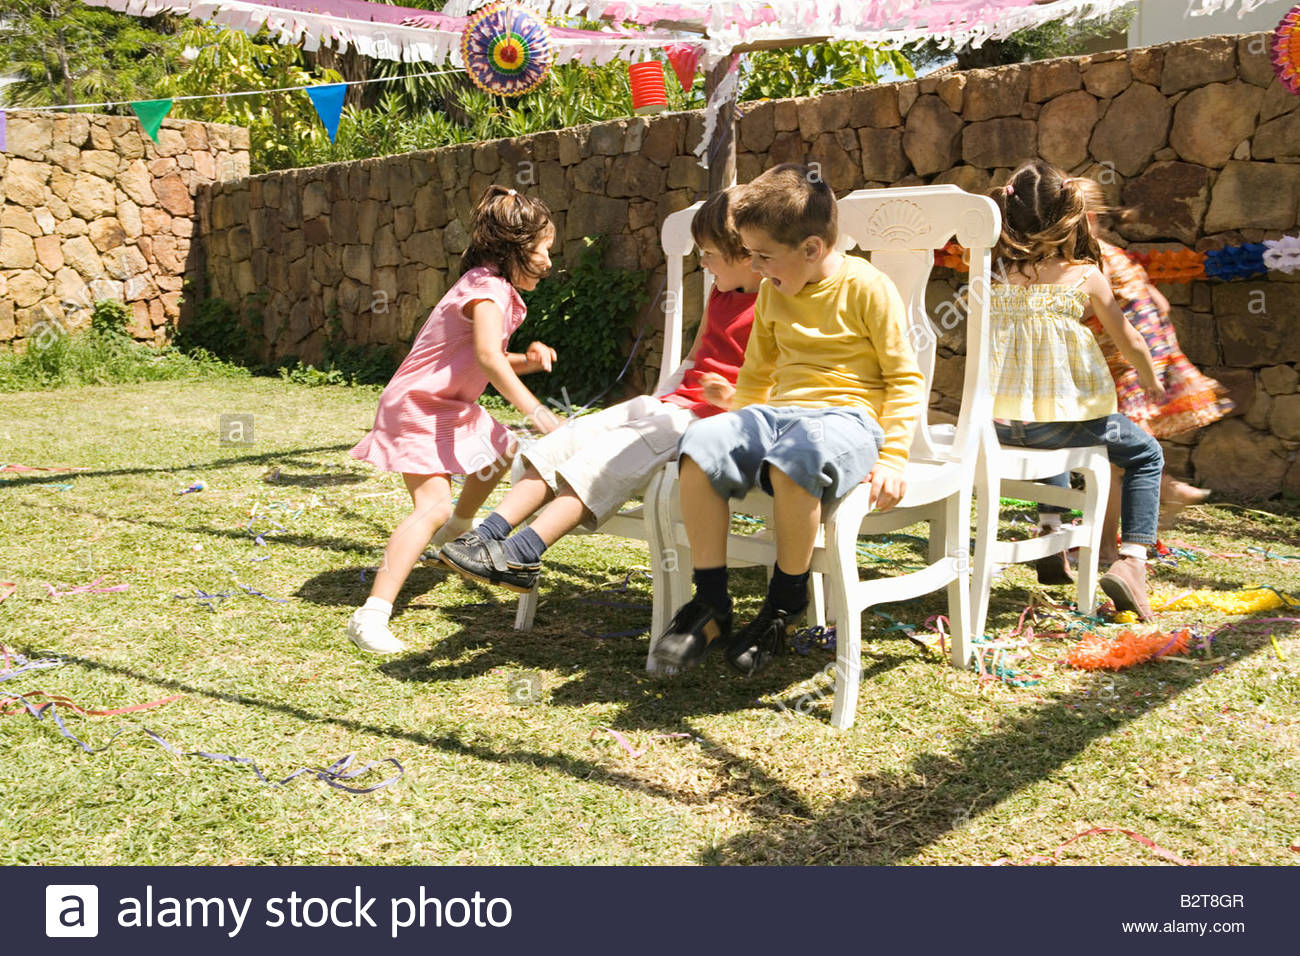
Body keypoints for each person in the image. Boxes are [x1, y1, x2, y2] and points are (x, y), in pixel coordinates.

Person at [652, 163, 926, 676]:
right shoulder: (776, 291)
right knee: (701, 442)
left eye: (763, 256)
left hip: (848, 418)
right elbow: (757, 375)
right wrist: (734, 422)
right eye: (750, 256)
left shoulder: (868, 288)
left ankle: (783, 605)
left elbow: (904, 379)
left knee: (795, 458)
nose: (755, 269)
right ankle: (710, 603)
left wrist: (893, 456)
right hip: (780, 412)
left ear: (811, 249)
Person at [438, 190, 760, 594]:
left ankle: (523, 551)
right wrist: (663, 397)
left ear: (747, 255)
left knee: (611, 455)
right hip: (676, 406)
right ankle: (486, 534)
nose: (702, 262)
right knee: (570, 438)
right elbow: (694, 359)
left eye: (710, 254)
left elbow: (782, 389)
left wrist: (729, 398)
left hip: (717, 421)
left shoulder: (775, 306)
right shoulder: (722, 292)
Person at [345, 185, 563, 654]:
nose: (548, 260)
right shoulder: (487, 289)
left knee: (502, 446)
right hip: (419, 405)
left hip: (451, 406)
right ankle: (372, 614)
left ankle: (457, 531)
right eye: (542, 249)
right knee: (431, 506)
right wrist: (538, 412)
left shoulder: (491, 285)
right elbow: (486, 357)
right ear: (514, 249)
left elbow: (487, 355)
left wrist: (525, 357)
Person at [986, 159, 1166, 621]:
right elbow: (1128, 338)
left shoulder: (993, 276)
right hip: (1063, 427)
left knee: (1043, 416)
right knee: (1145, 454)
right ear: (1068, 211)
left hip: (999, 427)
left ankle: (1049, 534)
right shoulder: (1084, 274)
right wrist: (1151, 378)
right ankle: (1133, 561)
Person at [1033, 180, 1233, 582]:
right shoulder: (1112, 256)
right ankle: (1168, 492)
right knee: (1121, 455)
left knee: (1115, 460)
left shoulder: (1087, 263)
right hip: (1142, 354)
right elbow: (1159, 303)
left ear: (1082, 219)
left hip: (1123, 364)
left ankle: (1108, 545)